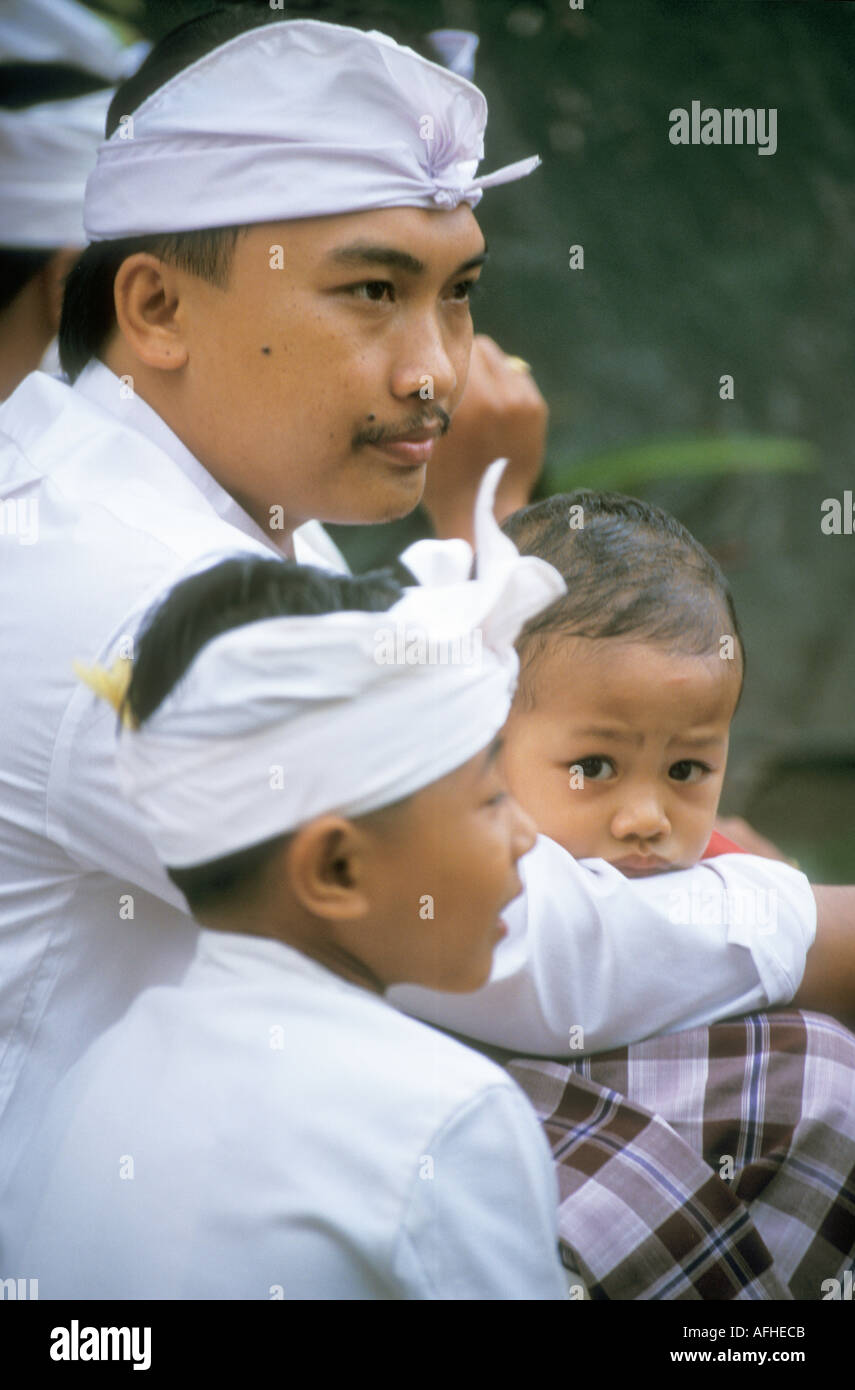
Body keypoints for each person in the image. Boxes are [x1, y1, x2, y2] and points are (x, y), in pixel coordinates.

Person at [3, 463, 568, 1300]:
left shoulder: (101, 1063)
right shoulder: (448, 1115)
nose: (526, 835)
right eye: (490, 797)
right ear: (335, 868)